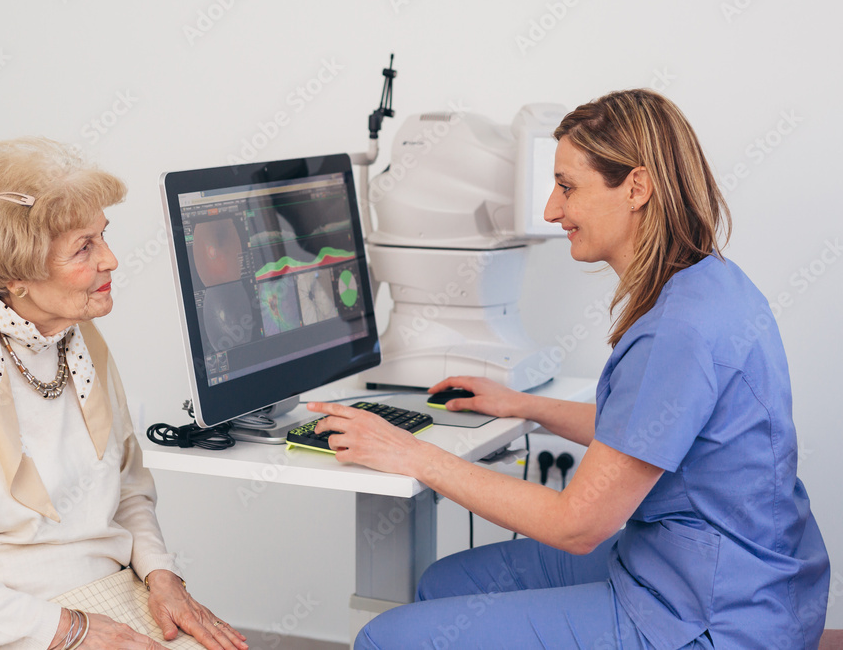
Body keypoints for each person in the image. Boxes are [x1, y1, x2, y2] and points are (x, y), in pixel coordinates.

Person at [309, 89, 830, 649]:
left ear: (636, 187)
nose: (551, 211)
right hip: (741, 576)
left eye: (567, 187)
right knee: (443, 583)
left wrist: (408, 452)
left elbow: (577, 526)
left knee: (384, 639)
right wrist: (524, 406)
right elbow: (653, 430)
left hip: (711, 612)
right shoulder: (711, 282)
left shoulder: (677, 330)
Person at [0, 138, 248, 650]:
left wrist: (163, 577)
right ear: (14, 274)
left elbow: (129, 489)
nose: (112, 259)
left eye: (103, 236)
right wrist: (69, 630)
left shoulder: (80, 335)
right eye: (83, 247)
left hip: (105, 590)